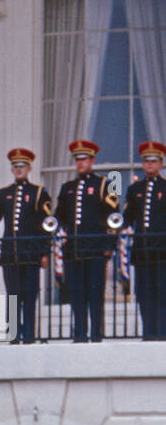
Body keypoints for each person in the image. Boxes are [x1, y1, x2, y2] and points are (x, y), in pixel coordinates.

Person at [0, 147, 53, 345]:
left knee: (30, 295)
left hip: (31, 253)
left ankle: (30, 336)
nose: (18, 169)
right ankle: (14, 335)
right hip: (10, 254)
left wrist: (44, 251)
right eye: (15, 166)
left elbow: (46, 224)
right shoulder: (3, 194)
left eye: (22, 166)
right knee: (13, 296)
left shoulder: (39, 193)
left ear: (29, 167)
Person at [55, 139, 119, 343]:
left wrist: (109, 245)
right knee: (76, 292)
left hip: (96, 250)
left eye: (84, 159)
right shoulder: (68, 187)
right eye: (78, 159)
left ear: (92, 160)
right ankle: (80, 333)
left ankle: (96, 333)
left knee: (95, 292)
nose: (81, 163)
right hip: (73, 250)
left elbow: (114, 218)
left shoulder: (106, 185)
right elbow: (60, 216)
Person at [123, 140, 166, 340]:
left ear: (160, 163)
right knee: (144, 292)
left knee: (162, 292)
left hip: (163, 250)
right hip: (142, 251)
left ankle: (162, 331)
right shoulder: (135, 189)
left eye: (154, 161)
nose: (150, 165)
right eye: (146, 161)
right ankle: (148, 332)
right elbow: (128, 216)